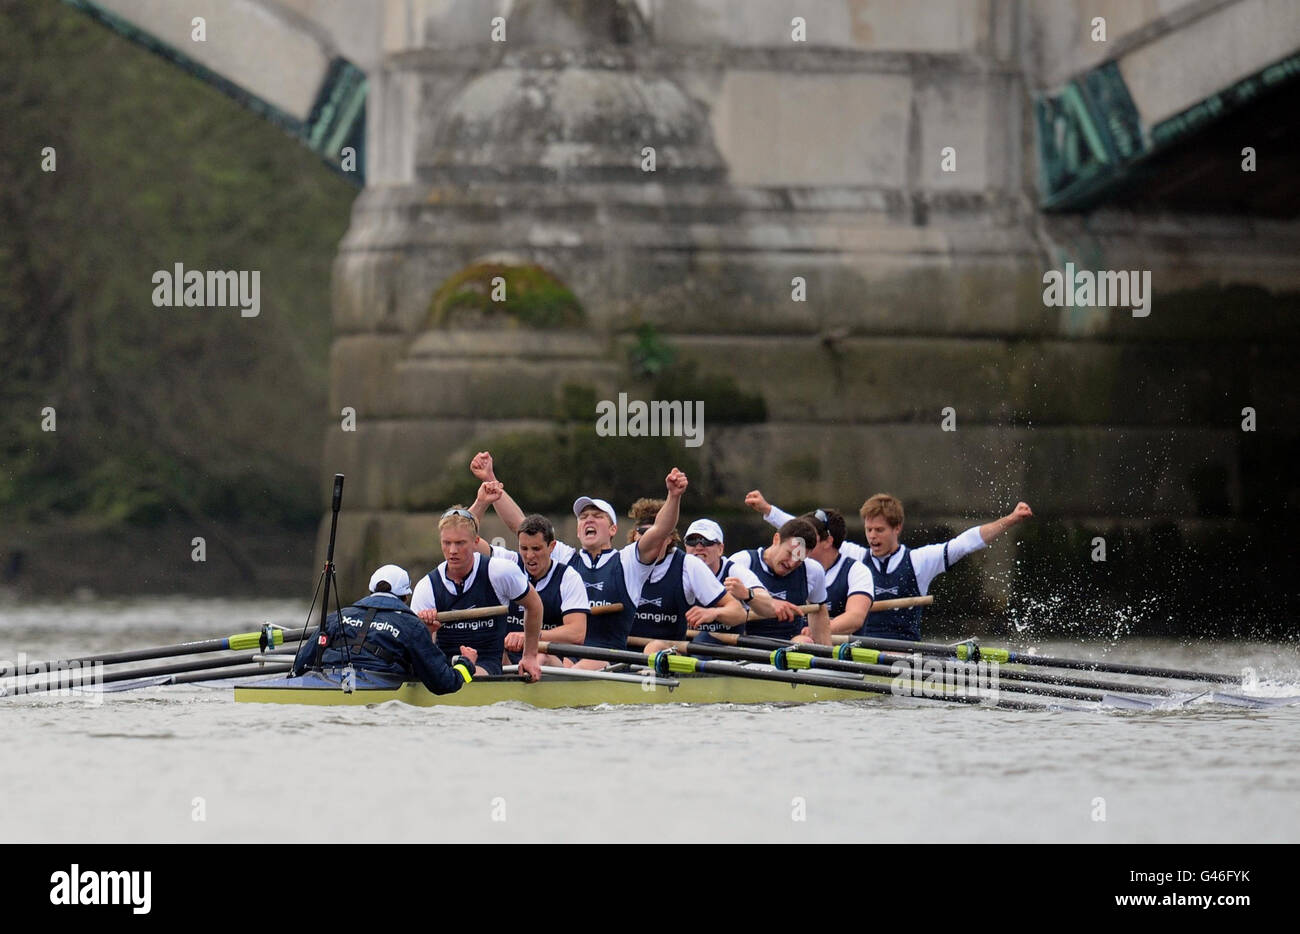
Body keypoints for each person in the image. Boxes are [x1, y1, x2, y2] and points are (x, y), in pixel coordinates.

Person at [467, 451, 687, 669]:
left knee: (573, 661)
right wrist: (490, 480)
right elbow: (522, 526)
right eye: (583, 517)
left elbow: (660, 530)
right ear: (578, 530)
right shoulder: (565, 556)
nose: (588, 519)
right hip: (564, 659)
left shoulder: (628, 561)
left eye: (597, 516)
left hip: (608, 661)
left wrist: (674, 496)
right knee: (534, 657)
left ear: (613, 529)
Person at [746, 490, 1034, 641]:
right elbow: (806, 534)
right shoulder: (857, 557)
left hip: (905, 649)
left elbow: (966, 543)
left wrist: (1010, 519)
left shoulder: (920, 561)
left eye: (880, 530)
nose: (872, 536)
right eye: (869, 530)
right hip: (861, 647)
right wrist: (767, 510)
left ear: (897, 528)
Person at [291, 564, 476, 694]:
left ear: (370, 591)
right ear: (405, 597)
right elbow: (443, 684)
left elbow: (300, 665)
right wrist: (466, 665)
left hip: (324, 681)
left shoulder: (337, 616)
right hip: (375, 687)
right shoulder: (412, 625)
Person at [410, 506, 544, 681]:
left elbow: (534, 605)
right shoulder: (427, 586)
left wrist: (530, 656)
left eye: (460, 543)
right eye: (447, 543)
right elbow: (417, 649)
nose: (452, 551)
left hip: (485, 663)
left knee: (463, 676)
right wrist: (426, 630)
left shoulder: (499, 571)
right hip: (443, 666)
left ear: (476, 542)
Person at [468, 482, 590, 668]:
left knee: (540, 657)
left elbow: (577, 633)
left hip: (550, 659)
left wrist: (530, 636)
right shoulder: (509, 563)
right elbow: (468, 543)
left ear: (552, 547)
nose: (530, 556)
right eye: (524, 548)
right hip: (509, 659)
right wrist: (481, 502)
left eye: (536, 549)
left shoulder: (568, 577)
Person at [622, 499, 747, 654]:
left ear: (669, 539)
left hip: (668, 652)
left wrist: (713, 613)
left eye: (658, 534)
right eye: (644, 533)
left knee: (653, 648)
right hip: (621, 651)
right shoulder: (621, 560)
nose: (651, 539)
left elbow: (738, 613)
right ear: (635, 536)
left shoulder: (688, 565)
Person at [726, 517, 830, 644]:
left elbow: (819, 611)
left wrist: (828, 656)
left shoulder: (812, 570)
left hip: (790, 646)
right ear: (776, 539)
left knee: (805, 642)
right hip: (746, 644)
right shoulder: (742, 562)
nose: (792, 563)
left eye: (799, 559)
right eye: (790, 554)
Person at [681, 518, 776, 645]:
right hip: (684, 648)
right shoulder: (678, 570)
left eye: (706, 542)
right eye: (692, 541)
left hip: (726, 651)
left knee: (703, 640)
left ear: (720, 549)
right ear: (685, 546)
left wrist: (747, 594)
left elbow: (769, 608)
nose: (698, 547)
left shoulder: (734, 572)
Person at [795, 509, 874, 637]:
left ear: (827, 541)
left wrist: (817, 630)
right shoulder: (792, 566)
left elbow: (855, 618)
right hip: (796, 645)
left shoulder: (857, 571)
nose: (800, 543)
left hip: (840, 651)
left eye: (808, 537)